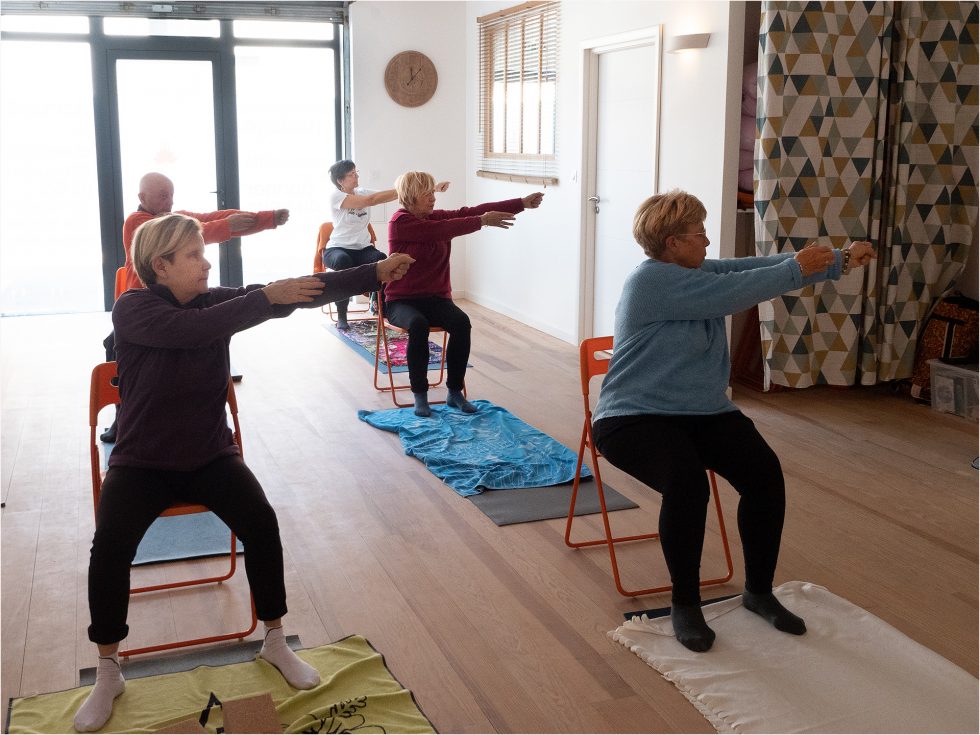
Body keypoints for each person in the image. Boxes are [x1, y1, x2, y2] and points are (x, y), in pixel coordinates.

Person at [74, 214, 413, 732]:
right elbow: (193, 331)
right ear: (161, 266)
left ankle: (274, 640)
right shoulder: (134, 309)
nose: (206, 263)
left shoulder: (213, 303)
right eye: (194, 255)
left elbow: (301, 290)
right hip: (141, 462)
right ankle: (108, 669)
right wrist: (264, 298)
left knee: (261, 523)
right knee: (109, 548)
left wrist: (374, 272)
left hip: (210, 455)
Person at [590, 190, 875, 653]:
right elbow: (735, 291)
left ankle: (758, 592)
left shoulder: (696, 270)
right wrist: (799, 268)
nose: (706, 240)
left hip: (703, 411)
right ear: (671, 243)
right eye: (698, 233)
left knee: (765, 477)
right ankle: (686, 603)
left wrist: (837, 260)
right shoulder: (651, 283)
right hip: (633, 415)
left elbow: (748, 268)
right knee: (687, 484)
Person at [99, 172, 289, 442]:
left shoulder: (173, 216)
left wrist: (267, 218)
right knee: (113, 347)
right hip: (144, 312)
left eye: (171, 195)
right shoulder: (137, 222)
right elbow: (197, 230)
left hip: (175, 305)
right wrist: (226, 225)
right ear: (142, 197)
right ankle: (121, 417)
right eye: (163, 196)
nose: (169, 201)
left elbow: (213, 217)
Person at [385, 171, 543, 417]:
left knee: (461, 323)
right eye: (426, 193)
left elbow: (471, 211)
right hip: (401, 301)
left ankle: (454, 392)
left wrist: (521, 203)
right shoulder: (400, 222)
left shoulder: (434, 218)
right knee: (418, 325)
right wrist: (481, 221)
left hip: (435, 299)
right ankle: (420, 396)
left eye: (433, 192)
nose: (433, 198)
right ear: (411, 196)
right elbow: (442, 230)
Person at [323, 160, 448, 329]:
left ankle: (383, 308)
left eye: (356, 172)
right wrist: (408, 188)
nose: (356, 176)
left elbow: (393, 194)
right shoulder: (336, 196)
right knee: (342, 261)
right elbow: (371, 200)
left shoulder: (361, 192)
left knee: (383, 260)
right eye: (352, 174)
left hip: (363, 249)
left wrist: (429, 188)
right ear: (340, 181)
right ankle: (342, 316)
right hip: (337, 248)